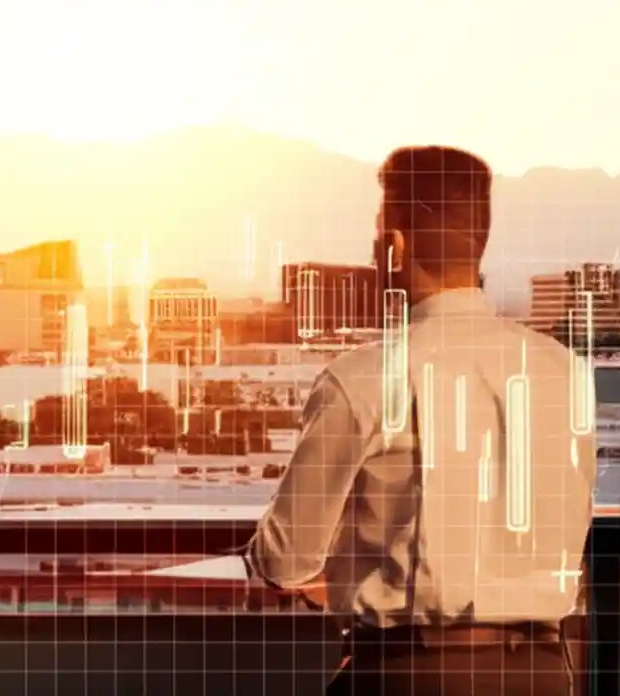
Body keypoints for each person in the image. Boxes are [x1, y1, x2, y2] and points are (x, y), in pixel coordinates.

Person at [244, 146, 596, 695]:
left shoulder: (361, 379)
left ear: (395, 245)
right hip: (544, 672)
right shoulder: (563, 371)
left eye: (379, 231)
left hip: (411, 674)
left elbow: (286, 559)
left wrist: (337, 565)